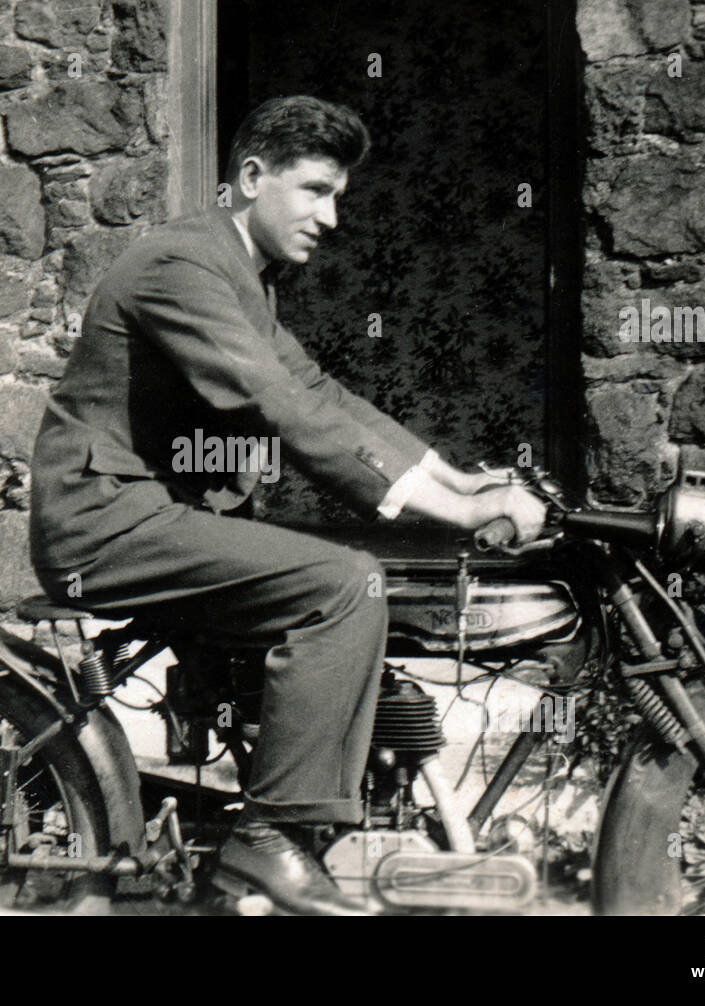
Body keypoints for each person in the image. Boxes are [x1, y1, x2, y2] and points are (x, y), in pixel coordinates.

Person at [28, 95, 546, 915]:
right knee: (342, 583)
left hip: (160, 515)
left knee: (344, 583)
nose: (331, 217)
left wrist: (461, 484)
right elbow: (277, 404)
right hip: (105, 523)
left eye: (337, 196)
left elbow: (317, 389)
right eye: (314, 191)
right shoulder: (182, 267)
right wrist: (445, 512)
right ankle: (267, 840)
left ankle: (322, 824)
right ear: (251, 178)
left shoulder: (240, 277)